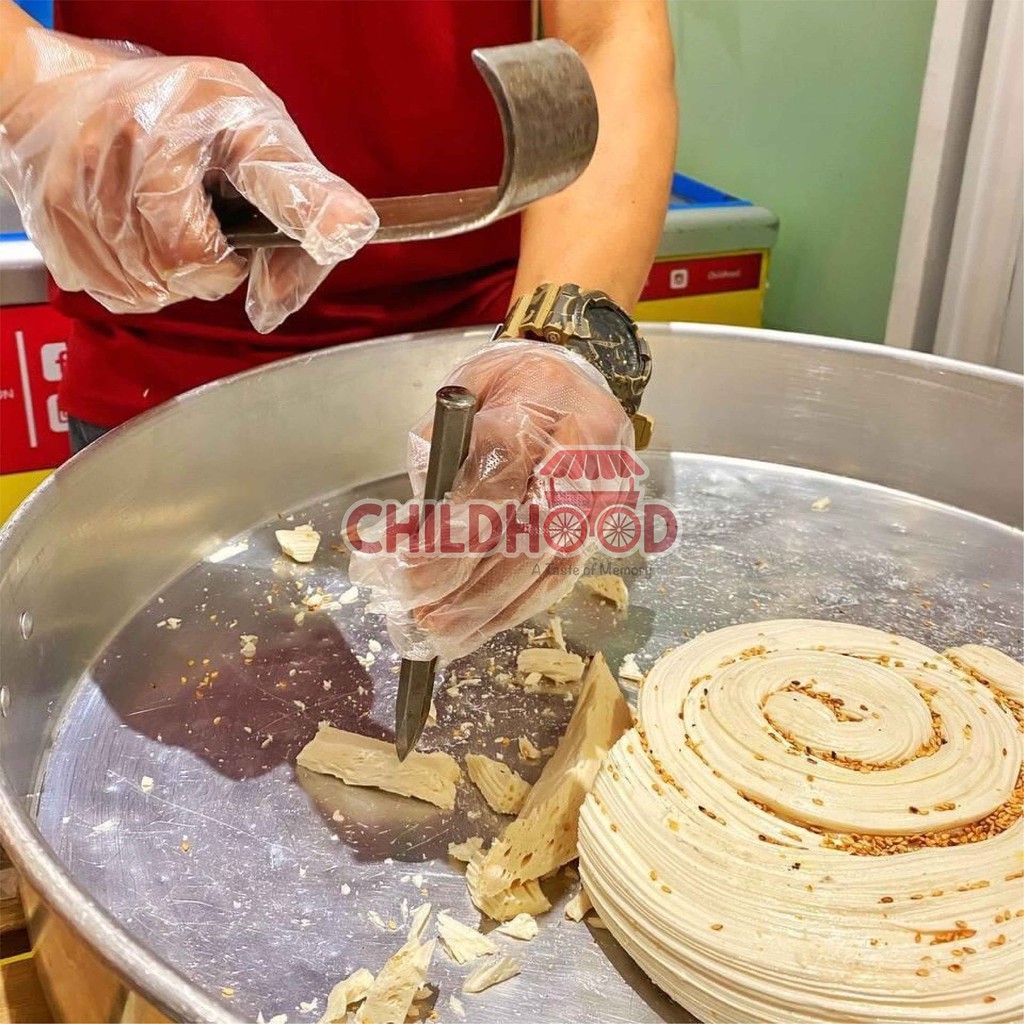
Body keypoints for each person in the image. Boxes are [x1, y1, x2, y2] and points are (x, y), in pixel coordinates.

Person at [0, 0, 676, 660]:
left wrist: (560, 337)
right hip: (162, 383)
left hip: (490, 383)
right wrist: (35, 83)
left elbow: (608, 32)